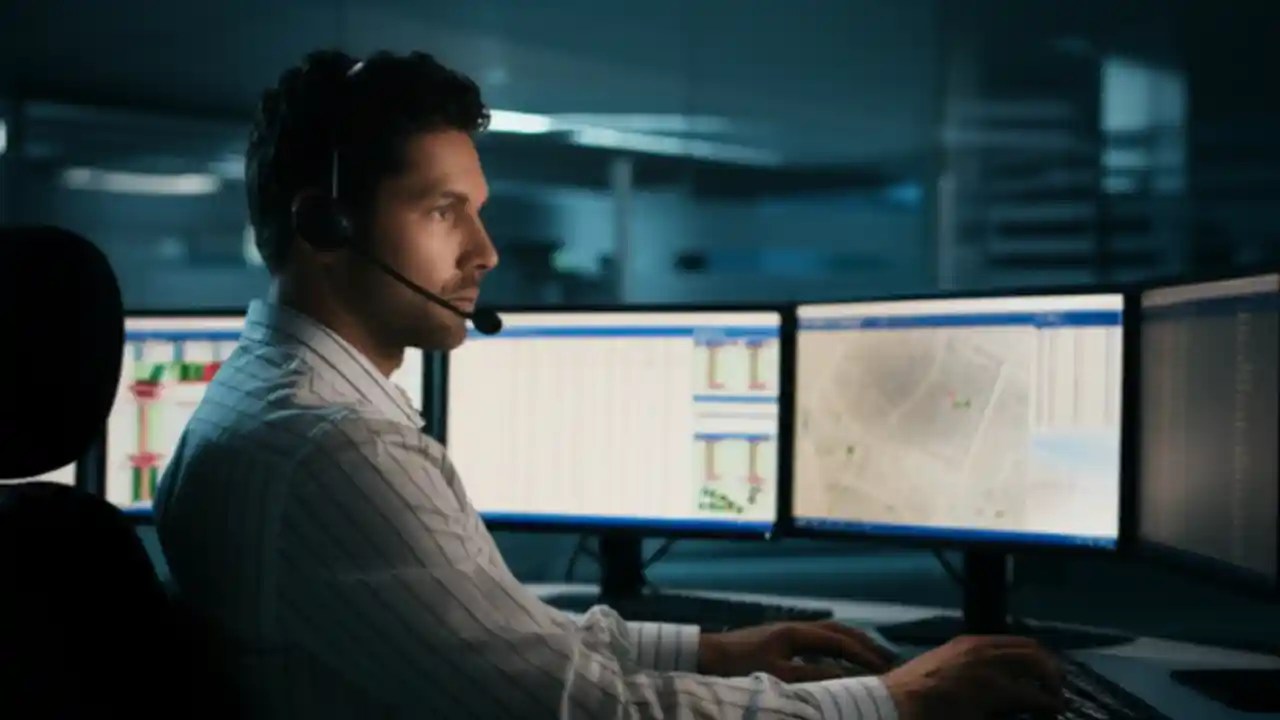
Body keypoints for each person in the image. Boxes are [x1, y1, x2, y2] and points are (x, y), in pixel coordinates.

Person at [154, 49, 1064, 719]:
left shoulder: (274, 400)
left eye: (478, 212)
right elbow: (581, 711)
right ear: (327, 224)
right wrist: (890, 704)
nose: (485, 253)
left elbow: (497, 643)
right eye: (443, 213)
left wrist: (711, 646)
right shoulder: (334, 448)